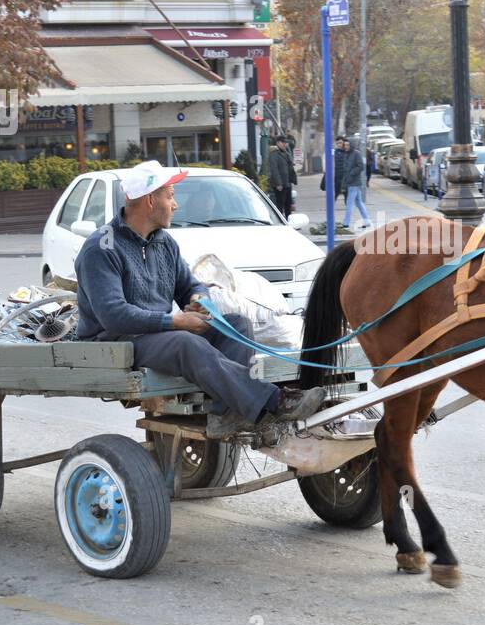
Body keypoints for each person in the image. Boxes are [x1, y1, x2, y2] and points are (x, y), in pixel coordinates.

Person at [73, 161, 324, 439]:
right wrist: (175, 321)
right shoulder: (101, 248)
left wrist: (198, 299)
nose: (175, 204)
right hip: (117, 340)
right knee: (185, 342)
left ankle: (227, 414)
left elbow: (190, 286)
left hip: (157, 335)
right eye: (170, 196)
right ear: (149, 200)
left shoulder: (164, 243)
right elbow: (113, 315)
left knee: (237, 324)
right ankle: (275, 400)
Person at [264, 134, 296, 216]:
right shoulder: (274, 154)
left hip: (287, 182)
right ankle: (280, 221)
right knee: (280, 204)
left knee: (288, 204)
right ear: (278, 143)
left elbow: (290, 166)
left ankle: (288, 221)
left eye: (285, 142)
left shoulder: (286, 152)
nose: (285, 144)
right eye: (283, 142)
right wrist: (278, 183)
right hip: (280, 184)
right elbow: (274, 170)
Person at [343, 139, 371, 229]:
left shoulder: (356, 154)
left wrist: (352, 173)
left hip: (354, 182)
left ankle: (346, 223)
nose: (345, 147)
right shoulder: (347, 154)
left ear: (351, 145)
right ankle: (367, 220)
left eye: (347, 145)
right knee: (358, 202)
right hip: (350, 181)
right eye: (345, 145)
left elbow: (361, 166)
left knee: (349, 203)